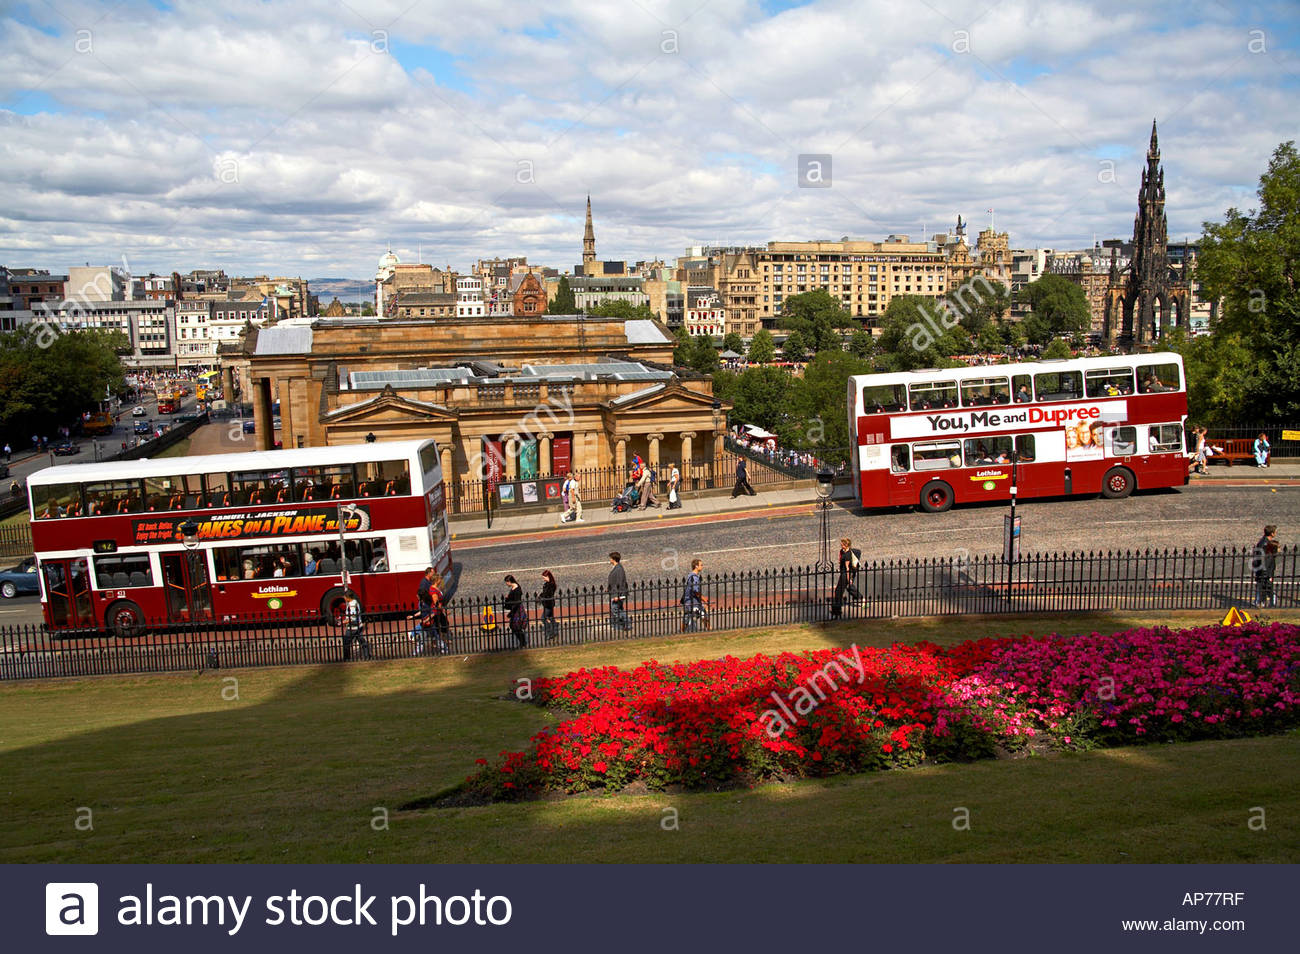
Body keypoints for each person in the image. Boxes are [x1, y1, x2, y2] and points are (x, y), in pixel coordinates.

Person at [412, 566, 449, 655]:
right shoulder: (424, 601)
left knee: (432, 635)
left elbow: (430, 612)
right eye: (432, 572)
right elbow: (433, 610)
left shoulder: (424, 603)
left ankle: (443, 647)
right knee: (427, 635)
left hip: (428, 621)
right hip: (429, 621)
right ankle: (416, 646)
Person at [830, 538, 863, 620]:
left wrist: (849, 579)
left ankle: (837, 610)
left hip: (845, 575)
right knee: (839, 591)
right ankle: (837, 609)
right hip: (843, 574)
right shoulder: (843, 552)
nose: (841, 545)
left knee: (838, 592)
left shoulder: (848, 554)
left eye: (842, 544)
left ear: (846, 545)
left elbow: (848, 568)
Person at [340, 590, 370, 661]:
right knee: (362, 641)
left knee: (346, 642)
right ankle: (367, 656)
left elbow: (352, 617)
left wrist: (343, 622)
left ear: (348, 597)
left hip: (352, 627)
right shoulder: (356, 602)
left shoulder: (352, 605)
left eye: (344, 596)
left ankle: (347, 658)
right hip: (359, 626)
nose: (344, 598)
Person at [680, 558, 709, 632]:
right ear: (696, 566)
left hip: (690, 601)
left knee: (689, 617)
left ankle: (681, 632)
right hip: (692, 601)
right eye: (701, 565)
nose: (702, 566)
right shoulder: (694, 578)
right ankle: (709, 630)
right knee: (701, 615)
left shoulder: (690, 576)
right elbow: (695, 591)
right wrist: (704, 599)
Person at [1253, 524, 1278, 608]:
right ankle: (1267, 601)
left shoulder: (1264, 542)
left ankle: (1262, 602)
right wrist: (1268, 573)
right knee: (1266, 586)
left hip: (1264, 570)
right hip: (1264, 571)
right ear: (1272, 533)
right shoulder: (1265, 544)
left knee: (1264, 586)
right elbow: (1266, 560)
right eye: (1275, 532)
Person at [607, 551, 632, 631]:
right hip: (615, 593)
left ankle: (627, 623)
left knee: (615, 610)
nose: (609, 560)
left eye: (610, 558)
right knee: (619, 609)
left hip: (618, 594)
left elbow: (620, 582)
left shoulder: (619, 569)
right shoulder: (617, 568)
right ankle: (624, 625)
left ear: (613, 559)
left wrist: (617, 596)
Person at [503, 574, 527, 648]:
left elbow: (516, 602)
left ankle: (523, 642)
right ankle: (522, 642)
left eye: (506, 582)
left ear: (509, 581)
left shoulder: (517, 589)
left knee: (515, 626)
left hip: (517, 609)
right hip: (515, 609)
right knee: (514, 626)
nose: (506, 584)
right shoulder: (514, 587)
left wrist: (511, 613)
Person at [539, 569, 558, 641]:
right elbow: (544, 593)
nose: (543, 579)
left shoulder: (551, 585)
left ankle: (549, 632)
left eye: (544, 577)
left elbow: (548, 595)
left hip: (548, 604)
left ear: (548, 576)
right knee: (551, 618)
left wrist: (543, 597)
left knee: (543, 618)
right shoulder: (547, 584)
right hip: (547, 604)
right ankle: (554, 631)